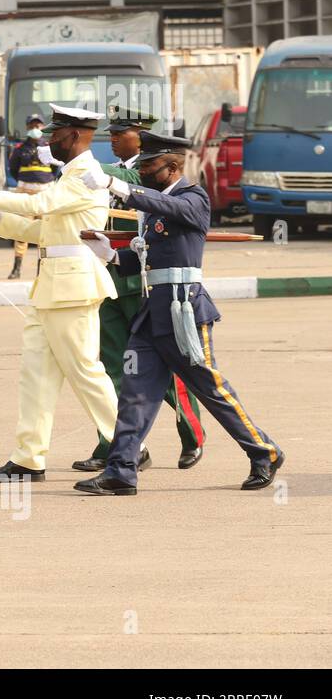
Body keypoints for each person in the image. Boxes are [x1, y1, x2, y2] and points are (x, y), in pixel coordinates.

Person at [76, 131, 284, 494]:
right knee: (134, 393)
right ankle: (121, 470)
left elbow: (171, 210)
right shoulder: (153, 206)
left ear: (172, 168)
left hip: (183, 311)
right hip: (151, 312)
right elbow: (150, 259)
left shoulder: (193, 198)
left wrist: (117, 185)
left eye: (149, 166)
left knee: (211, 389)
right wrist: (110, 255)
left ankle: (263, 450)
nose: (141, 173)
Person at [0, 103, 118, 481]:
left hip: (73, 286)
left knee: (85, 371)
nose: (49, 140)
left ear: (73, 136)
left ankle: (127, 445)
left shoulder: (84, 173)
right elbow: (44, 232)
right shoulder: (70, 175)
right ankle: (28, 457)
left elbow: (39, 205)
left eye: (55, 134)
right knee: (36, 376)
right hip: (53, 285)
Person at [73, 112, 207, 473]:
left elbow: (134, 185)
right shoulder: (114, 170)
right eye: (111, 134)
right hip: (112, 274)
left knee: (169, 369)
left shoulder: (140, 173)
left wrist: (87, 165)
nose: (114, 138)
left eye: (122, 133)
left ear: (142, 136)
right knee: (114, 367)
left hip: (145, 284)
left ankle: (191, 432)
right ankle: (113, 444)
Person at [4, 114, 56, 280]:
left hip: (45, 193)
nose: (35, 128)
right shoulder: (19, 149)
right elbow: (13, 169)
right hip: (25, 193)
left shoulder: (50, 148)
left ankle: (43, 269)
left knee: (46, 232)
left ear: (42, 127)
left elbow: (55, 170)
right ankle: (17, 268)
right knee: (22, 231)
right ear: (27, 128)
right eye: (32, 125)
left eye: (38, 125)